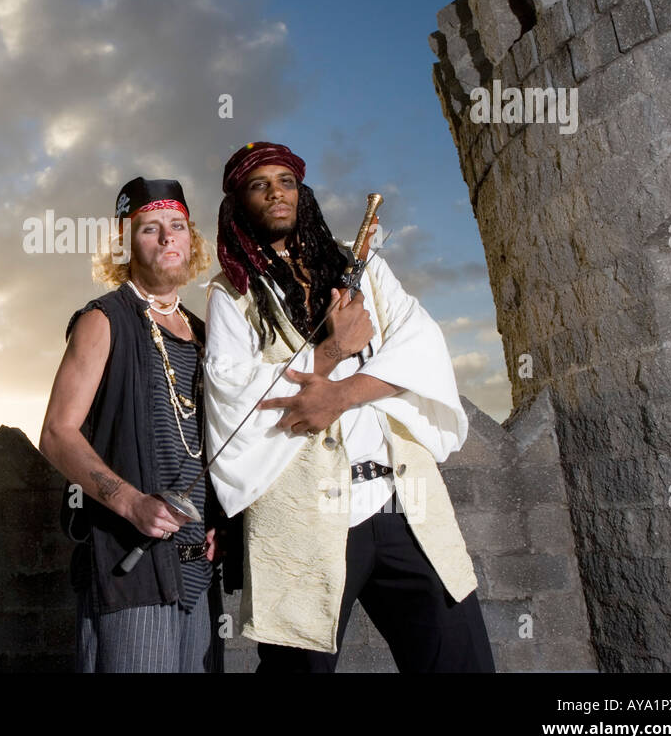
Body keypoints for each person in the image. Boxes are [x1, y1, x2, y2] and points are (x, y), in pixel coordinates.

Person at [202, 141, 495, 672]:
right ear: (237, 203)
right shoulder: (232, 293)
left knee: (460, 661)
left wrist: (339, 394)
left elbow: (420, 344)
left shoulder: (353, 265)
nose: (276, 192)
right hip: (304, 514)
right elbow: (233, 392)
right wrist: (332, 350)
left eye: (286, 181)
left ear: (303, 191)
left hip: (401, 500)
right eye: (259, 184)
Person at [39, 177, 225, 672]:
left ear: (192, 239)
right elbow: (57, 433)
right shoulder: (103, 320)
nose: (167, 238)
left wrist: (218, 521)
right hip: (131, 565)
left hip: (196, 571)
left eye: (177, 225)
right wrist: (131, 502)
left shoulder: (206, 334)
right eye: (149, 228)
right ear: (125, 244)